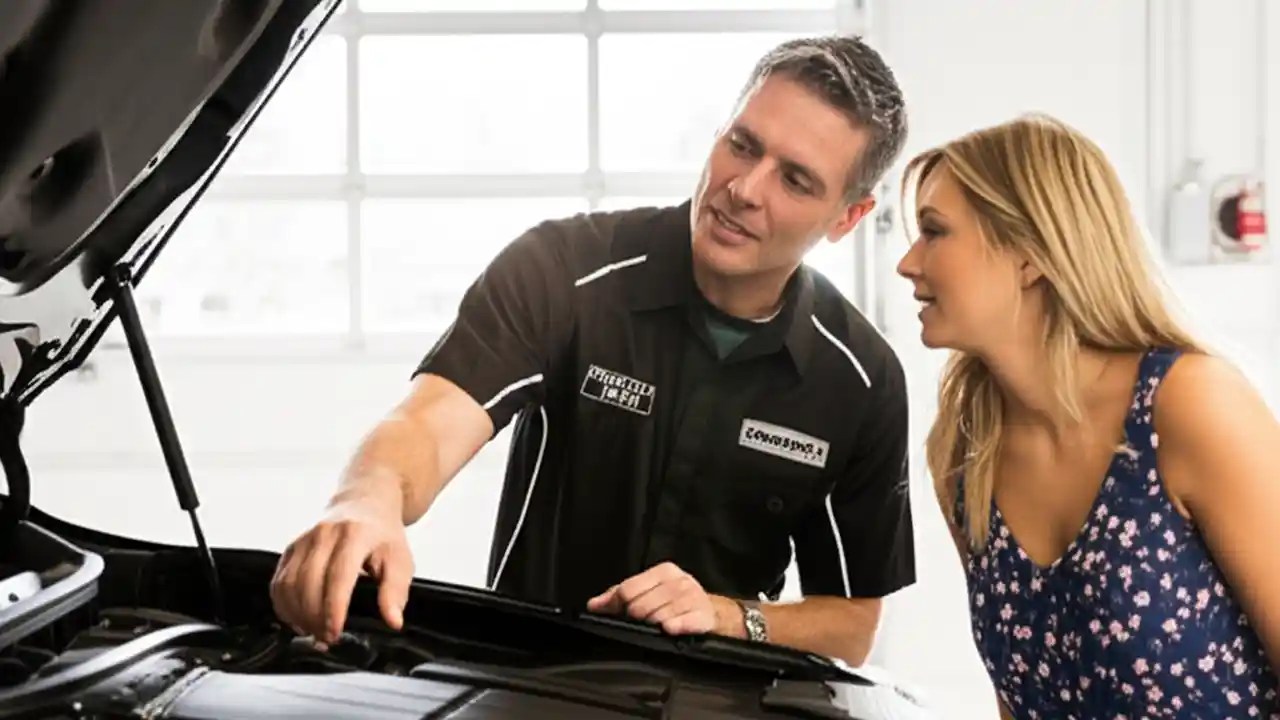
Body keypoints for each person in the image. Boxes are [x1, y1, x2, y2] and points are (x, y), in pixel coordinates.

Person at [270, 34, 916, 667]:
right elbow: (428, 425)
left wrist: (725, 615)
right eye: (742, 145)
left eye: (795, 180)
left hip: (719, 703)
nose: (745, 188)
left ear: (847, 217)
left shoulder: (863, 381)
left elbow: (851, 626)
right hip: (529, 686)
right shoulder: (562, 270)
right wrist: (367, 500)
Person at [895, 113, 1280, 718]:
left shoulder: (1188, 404)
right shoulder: (966, 455)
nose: (908, 263)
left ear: (1030, 256)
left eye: (934, 231)